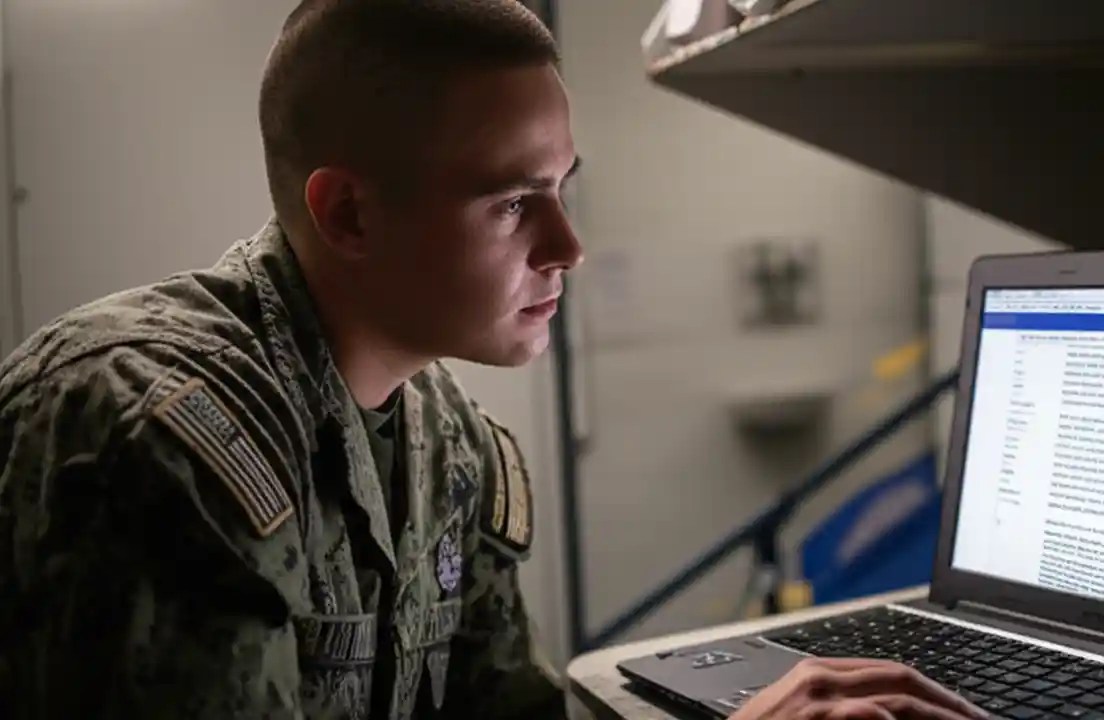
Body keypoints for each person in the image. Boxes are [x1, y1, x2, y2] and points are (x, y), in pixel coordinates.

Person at [0, 1, 989, 718]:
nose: (567, 246)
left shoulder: (447, 442)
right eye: (513, 202)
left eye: (562, 187)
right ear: (347, 212)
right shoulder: (153, 439)